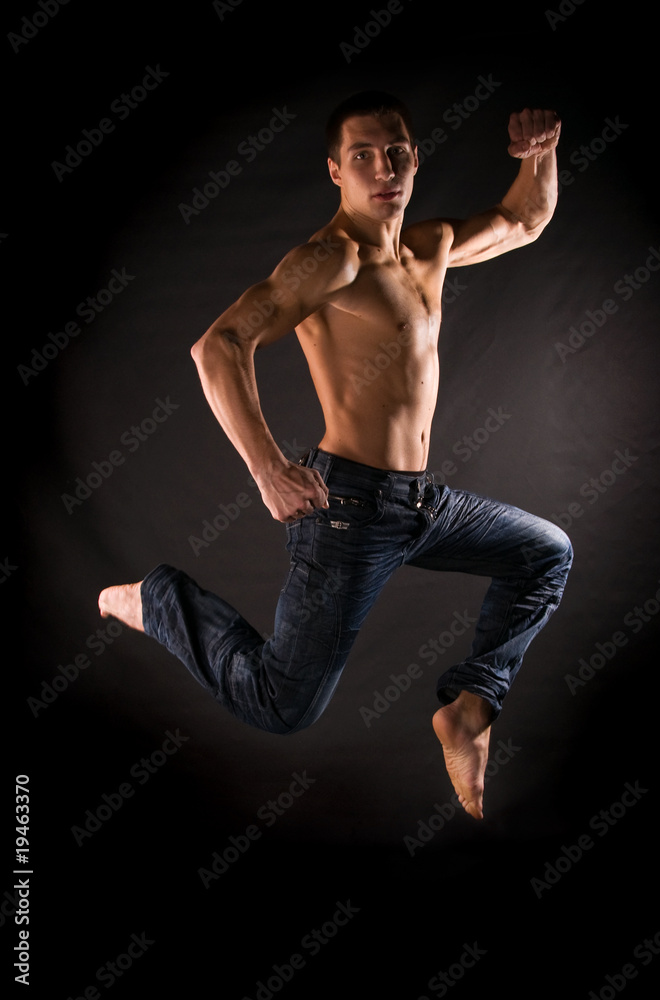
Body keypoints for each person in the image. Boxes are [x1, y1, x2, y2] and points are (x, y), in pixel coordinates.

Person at [99, 91, 572, 820]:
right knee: (281, 706)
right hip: (346, 512)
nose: (383, 168)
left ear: (415, 158)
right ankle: (158, 601)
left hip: (421, 504)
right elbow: (218, 346)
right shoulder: (331, 260)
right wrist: (265, 467)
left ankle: (468, 709)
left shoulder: (428, 246)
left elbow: (524, 221)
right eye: (362, 157)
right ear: (335, 171)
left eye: (397, 152)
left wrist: (539, 153)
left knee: (545, 553)